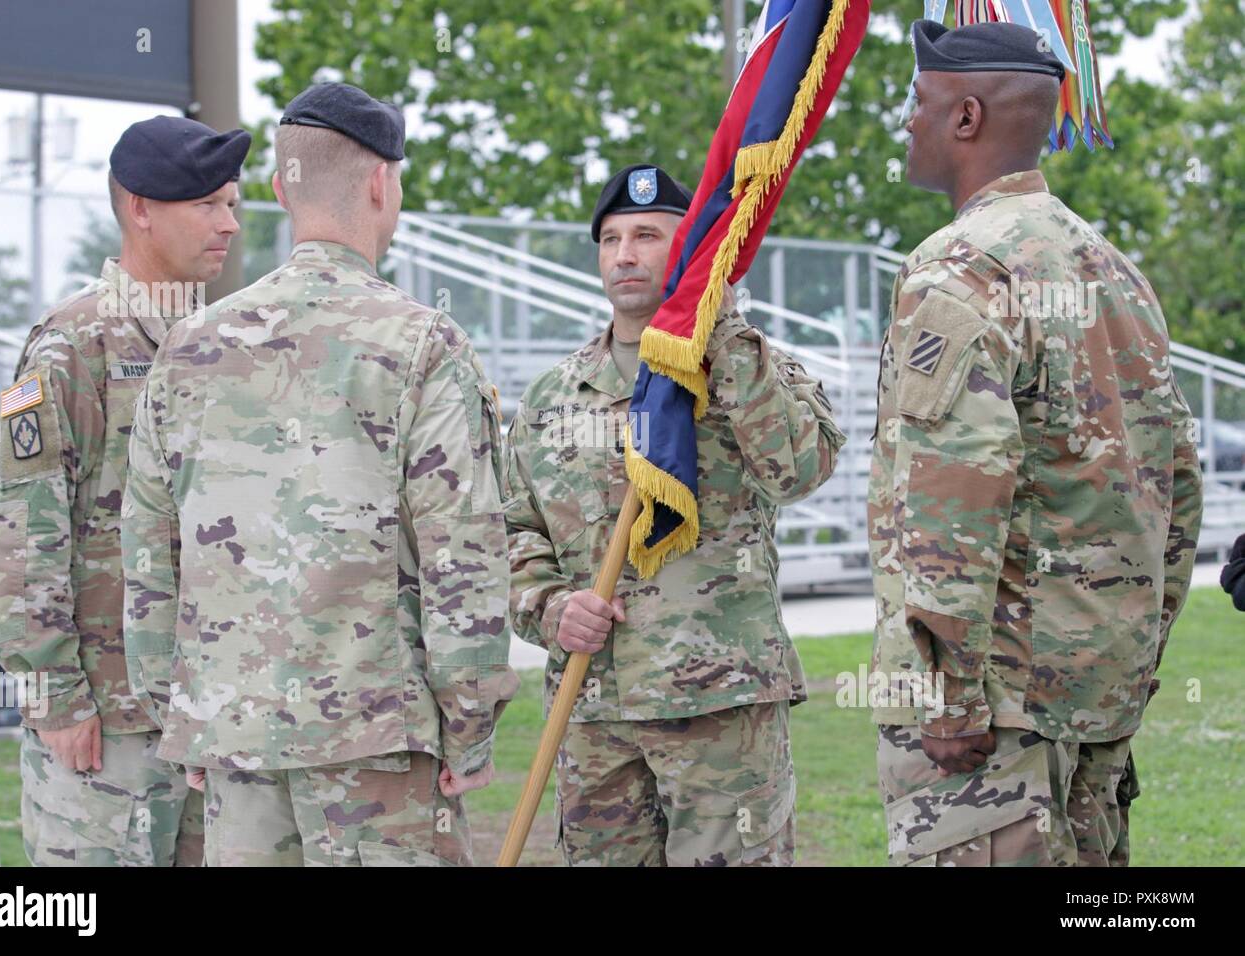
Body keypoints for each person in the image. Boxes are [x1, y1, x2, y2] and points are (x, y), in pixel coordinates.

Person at [121, 83, 517, 867]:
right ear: (381, 184)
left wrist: (180, 712)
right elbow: (462, 554)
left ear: (280, 189)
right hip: (379, 744)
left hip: (234, 737)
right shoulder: (422, 344)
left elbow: (146, 550)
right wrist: (468, 725)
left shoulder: (189, 347)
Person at [868, 20, 1204, 867]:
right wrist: (1132, 658)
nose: (908, 121)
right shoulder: (1116, 272)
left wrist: (945, 699)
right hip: (1096, 701)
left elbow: (951, 503)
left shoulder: (959, 268)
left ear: (967, 117)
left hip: (995, 723)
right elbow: (1178, 488)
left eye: (919, 102)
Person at [505, 163, 845, 866]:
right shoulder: (552, 397)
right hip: (594, 710)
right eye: (611, 239)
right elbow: (512, 534)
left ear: (690, 250)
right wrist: (548, 607)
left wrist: (719, 333)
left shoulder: (748, 367)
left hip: (721, 710)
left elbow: (799, 469)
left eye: (649, 236)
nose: (625, 254)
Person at [0, 115, 249, 865]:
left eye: (233, 203)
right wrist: (54, 694)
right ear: (140, 208)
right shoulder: (71, 345)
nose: (228, 224)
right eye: (208, 205)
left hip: (217, 711)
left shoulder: (229, 343)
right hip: (109, 720)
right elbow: (16, 530)